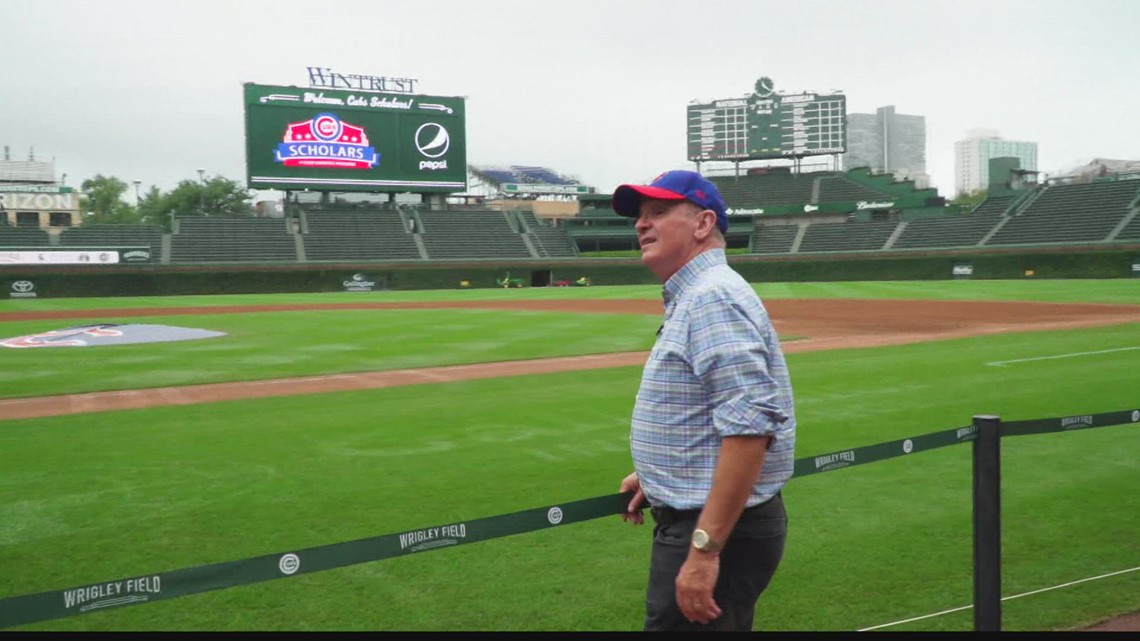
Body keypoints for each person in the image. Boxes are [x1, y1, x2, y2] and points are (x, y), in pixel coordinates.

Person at [612, 169, 797, 631]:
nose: (640, 224)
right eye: (639, 215)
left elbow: (750, 431)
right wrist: (658, 475)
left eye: (658, 212)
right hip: (709, 519)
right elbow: (710, 411)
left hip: (717, 529)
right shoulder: (697, 293)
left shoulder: (711, 297)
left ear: (702, 224)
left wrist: (705, 549)